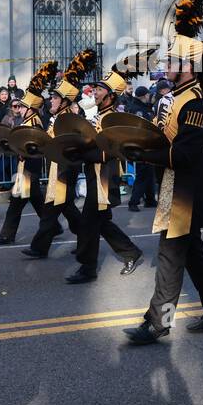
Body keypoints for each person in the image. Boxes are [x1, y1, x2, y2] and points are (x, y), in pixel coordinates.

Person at [124, 0, 203, 344]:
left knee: (171, 256)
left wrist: (145, 152)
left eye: (172, 61)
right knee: (192, 254)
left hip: (189, 189)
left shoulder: (199, 103)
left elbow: (183, 152)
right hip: (176, 186)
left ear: (189, 68)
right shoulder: (176, 98)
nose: (166, 66)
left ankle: (157, 322)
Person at [65, 62, 144, 283]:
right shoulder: (101, 115)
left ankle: (88, 267)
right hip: (95, 175)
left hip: (104, 177)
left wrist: (80, 153)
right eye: (96, 89)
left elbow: (106, 153)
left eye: (99, 89)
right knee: (99, 222)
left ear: (109, 96)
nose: (95, 92)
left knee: (90, 222)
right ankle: (130, 252)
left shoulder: (111, 119)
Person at [22, 51, 91, 258]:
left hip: (65, 170)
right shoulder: (59, 117)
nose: (50, 100)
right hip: (57, 169)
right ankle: (84, 242)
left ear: (64, 102)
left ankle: (40, 248)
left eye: (54, 97)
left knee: (51, 211)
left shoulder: (68, 119)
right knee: (67, 210)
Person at [0, 62, 56, 244]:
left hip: (30, 166)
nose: (19, 108)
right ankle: (53, 226)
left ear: (30, 108)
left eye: (22, 106)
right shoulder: (27, 119)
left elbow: (35, 144)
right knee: (35, 198)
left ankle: (7, 235)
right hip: (25, 166)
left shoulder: (34, 121)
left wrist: (19, 149)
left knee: (16, 201)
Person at [126, 86, 158, 211]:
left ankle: (150, 199)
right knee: (143, 174)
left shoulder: (143, 108)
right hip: (142, 145)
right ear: (144, 96)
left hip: (147, 145)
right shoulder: (138, 110)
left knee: (149, 173)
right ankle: (133, 202)